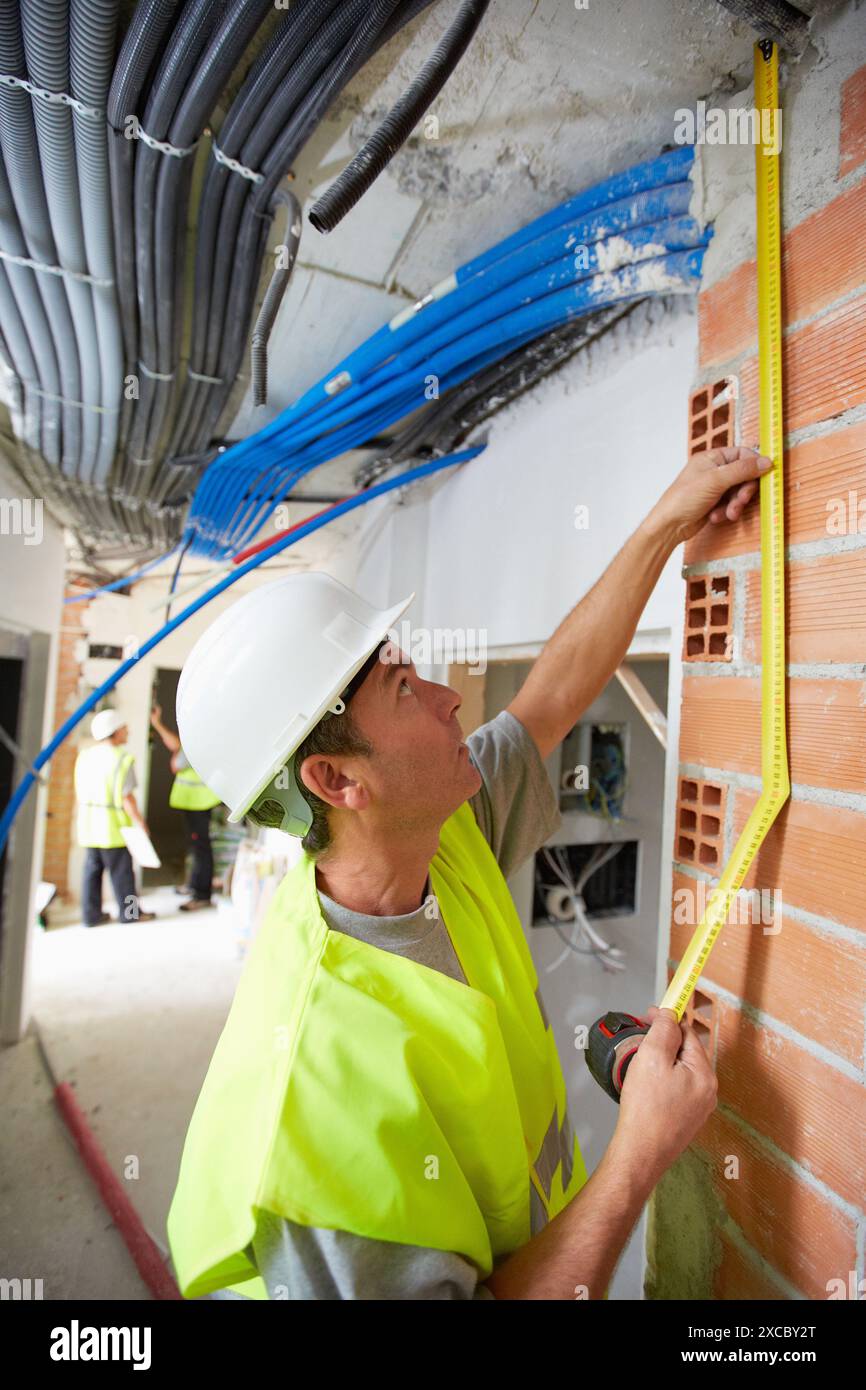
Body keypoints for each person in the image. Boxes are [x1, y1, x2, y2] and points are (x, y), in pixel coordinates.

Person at [166, 445, 770, 1300]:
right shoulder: (314, 1119)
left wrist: (670, 518)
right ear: (337, 781)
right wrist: (638, 1156)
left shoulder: (444, 837)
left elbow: (552, 694)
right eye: (403, 687)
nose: (451, 696)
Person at [74, 709, 156, 926]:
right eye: (124, 728)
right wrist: (141, 823)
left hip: (88, 825)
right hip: (113, 828)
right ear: (114, 731)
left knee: (91, 873)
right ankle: (130, 914)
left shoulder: (85, 756)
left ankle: (90, 917)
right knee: (123, 875)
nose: (127, 731)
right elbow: (126, 798)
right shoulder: (122, 759)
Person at [149, 704, 221, 912]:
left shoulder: (200, 740)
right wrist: (158, 724)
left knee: (201, 848)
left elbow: (177, 763)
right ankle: (194, 886)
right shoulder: (196, 738)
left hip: (199, 802)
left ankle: (202, 895)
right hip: (194, 802)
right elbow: (176, 748)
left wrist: (158, 725)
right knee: (196, 847)